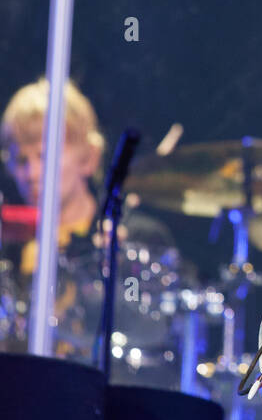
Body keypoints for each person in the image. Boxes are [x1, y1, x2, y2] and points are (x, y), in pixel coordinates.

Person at [0, 77, 174, 360]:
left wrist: (111, 271)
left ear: (89, 157)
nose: (30, 174)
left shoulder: (137, 237)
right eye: (21, 160)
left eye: (44, 156)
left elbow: (158, 340)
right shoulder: (11, 246)